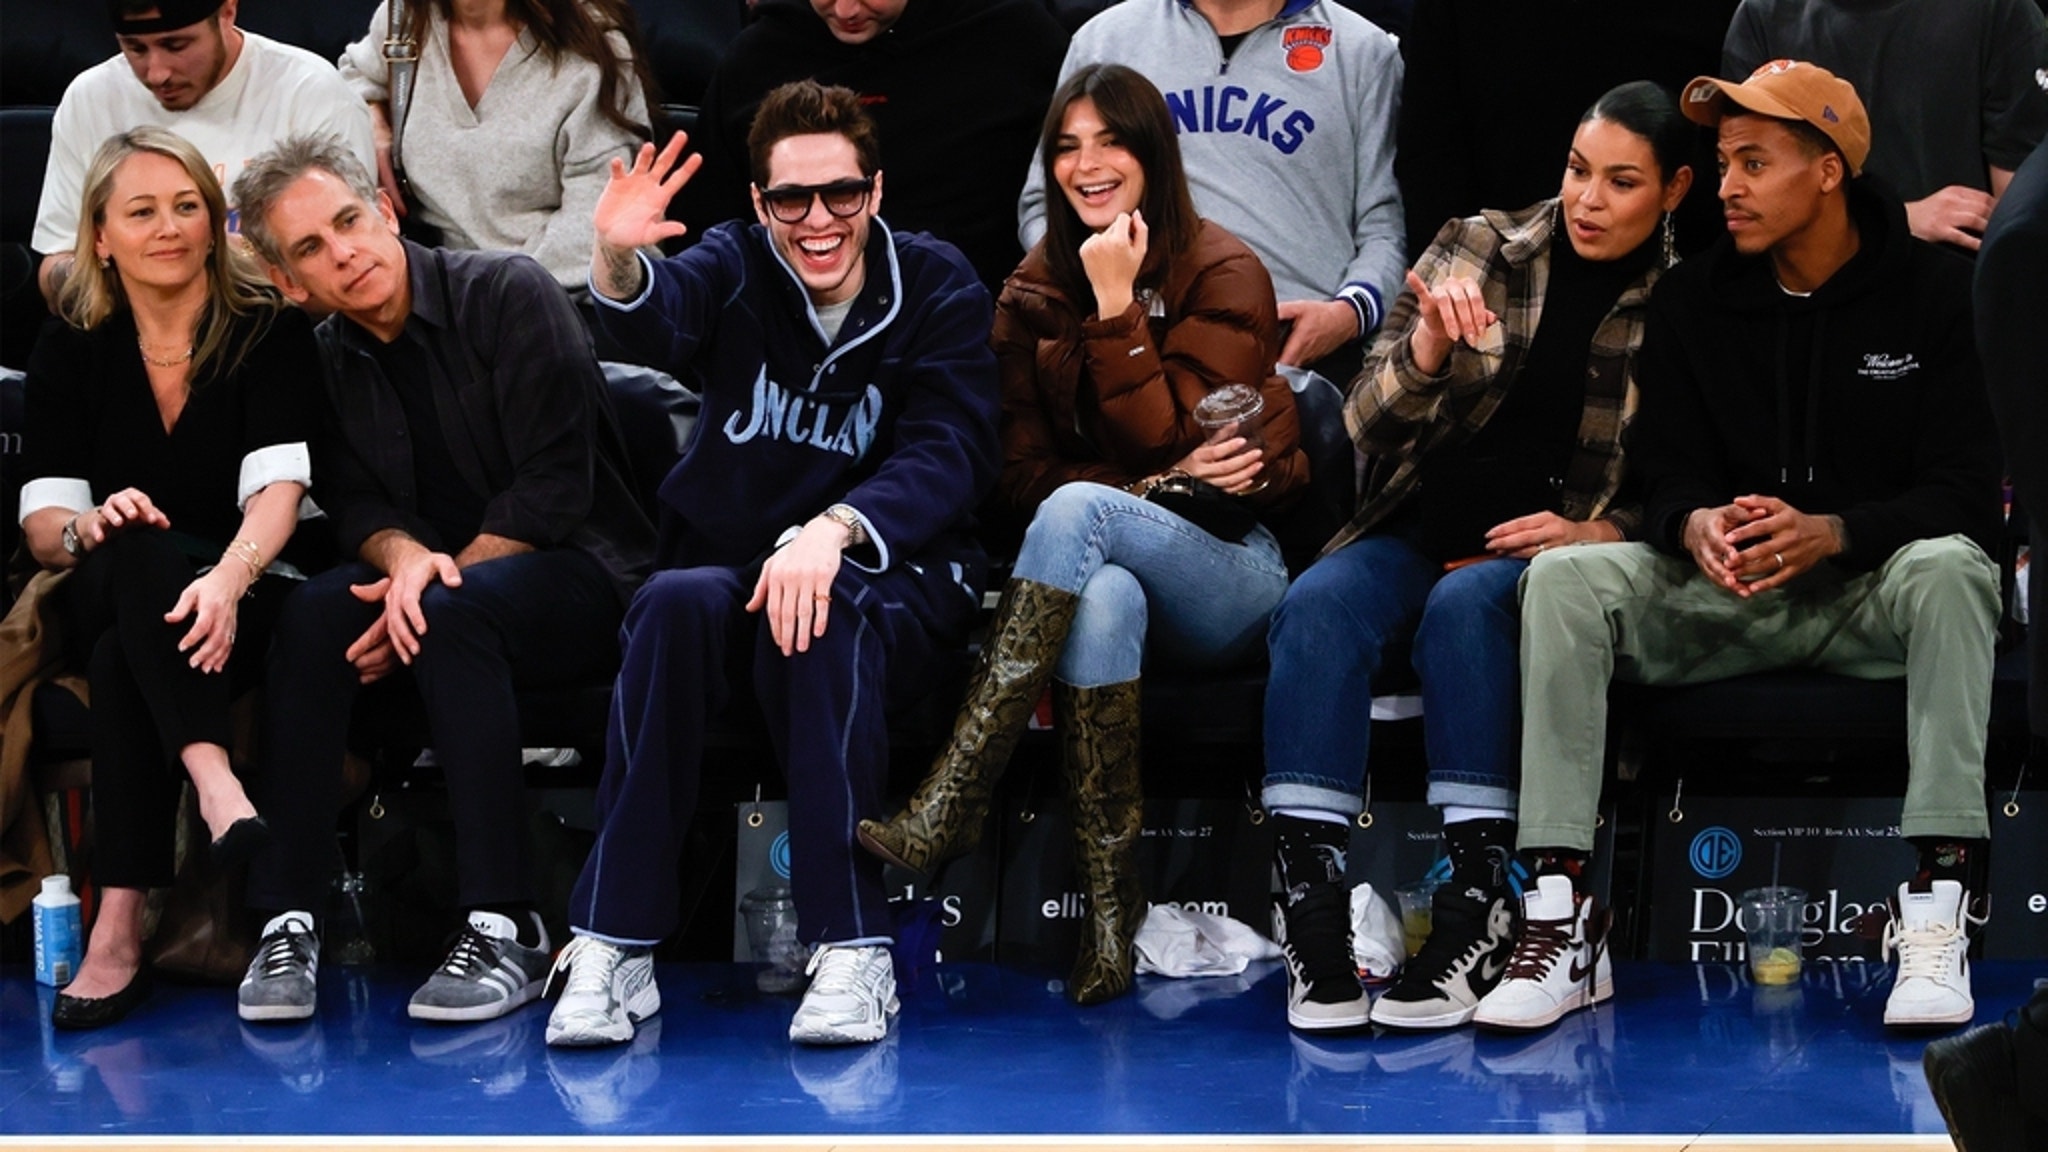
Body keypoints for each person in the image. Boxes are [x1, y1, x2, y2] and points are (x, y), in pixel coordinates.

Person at [1485, 61, 2003, 1032]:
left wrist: (1837, 532)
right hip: (1720, 596)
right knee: (1564, 578)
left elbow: (1967, 498)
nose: (1724, 184)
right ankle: (1558, 918)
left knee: (1949, 569)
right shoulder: (1691, 299)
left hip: (1867, 595)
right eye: (1721, 161)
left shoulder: (1933, 293)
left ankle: (1935, 913)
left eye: (1752, 162)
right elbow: (1663, 475)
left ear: (1826, 169)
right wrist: (1693, 524)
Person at [543, 80, 1001, 1049]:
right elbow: (652, 322)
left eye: (840, 194)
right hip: (739, 575)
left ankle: (851, 948)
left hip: (891, 578)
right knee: (668, 601)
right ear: (758, 205)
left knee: (822, 605)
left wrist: (833, 529)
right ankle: (612, 946)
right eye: (790, 199)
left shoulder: (940, 281)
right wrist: (618, 256)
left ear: (874, 191)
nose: (817, 220)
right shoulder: (736, 264)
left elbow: (952, 450)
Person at [859, 64, 1311, 1007]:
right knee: (1097, 587)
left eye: (1109, 142)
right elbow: (1016, 483)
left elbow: (1196, 467)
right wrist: (1148, 486)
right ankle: (1111, 925)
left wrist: (1114, 313)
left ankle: (954, 799)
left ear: (1154, 153)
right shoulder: (1027, 293)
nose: (1086, 164)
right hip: (1108, 572)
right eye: (1066, 146)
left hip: (1230, 572)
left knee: (1078, 516)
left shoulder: (1225, 271)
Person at [1257, 81, 1694, 1034]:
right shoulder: (1481, 243)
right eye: (1579, 171)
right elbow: (1364, 423)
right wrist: (1422, 349)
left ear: (1674, 192)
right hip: (1419, 527)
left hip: (1554, 552)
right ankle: (1312, 914)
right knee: (1320, 604)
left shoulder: (1688, 296)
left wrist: (1598, 534)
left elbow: (1684, 471)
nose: (1586, 200)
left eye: (1621, 183)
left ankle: (1477, 913)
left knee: (1471, 612)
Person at [230, 134, 653, 1026]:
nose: (342, 251)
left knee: (456, 614)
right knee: (310, 615)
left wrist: (431, 585)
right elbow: (351, 504)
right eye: (309, 248)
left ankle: (507, 923)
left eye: (348, 221)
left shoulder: (509, 291)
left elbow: (553, 488)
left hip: (583, 578)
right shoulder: (326, 354)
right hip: (441, 595)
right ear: (290, 282)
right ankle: (288, 916)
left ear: (384, 211)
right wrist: (405, 565)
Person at [18, 127, 321, 1029]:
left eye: (187, 205)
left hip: (249, 586)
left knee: (122, 659)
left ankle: (117, 929)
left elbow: (278, 492)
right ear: (100, 237)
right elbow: (43, 524)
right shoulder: (72, 346)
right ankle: (216, 782)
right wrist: (87, 524)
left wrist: (227, 579)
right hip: (111, 574)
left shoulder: (266, 330)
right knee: (135, 536)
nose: (169, 227)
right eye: (141, 211)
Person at [1017, 0, 1408, 388]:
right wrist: (1108, 297)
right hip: (1138, 347)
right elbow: (1042, 208)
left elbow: (1385, 231)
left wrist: (1347, 314)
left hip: (1299, 359)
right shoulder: (1104, 39)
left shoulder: (1363, 51)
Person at [681, 0, 1067, 294]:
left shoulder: (1015, 39)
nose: (846, 9)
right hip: (795, 344)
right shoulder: (754, 61)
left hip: (977, 329)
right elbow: (709, 228)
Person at [32, 0, 376, 309]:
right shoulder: (90, 99)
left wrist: (180, 271)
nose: (157, 73)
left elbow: (357, 260)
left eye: (176, 45)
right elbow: (56, 266)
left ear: (227, 13)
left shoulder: (310, 91)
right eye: (135, 49)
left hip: (284, 335)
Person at [337, 0, 655, 293]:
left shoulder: (591, 47)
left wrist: (480, 300)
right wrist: (374, 121)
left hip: (561, 298)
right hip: (438, 292)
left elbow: (593, 230)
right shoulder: (404, 17)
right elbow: (354, 74)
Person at [1393, 0, 1735, 258]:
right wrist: (1454, 273)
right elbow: (1430, 152)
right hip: (1493, 285)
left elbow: (1730, 145)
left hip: (1672, 280)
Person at [1723, 0, 2048, 251]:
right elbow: (1747, 194)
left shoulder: (1998, 11)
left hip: (1949, 292)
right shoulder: (1761, 16)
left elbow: (2024, 219)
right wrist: (1898, 218)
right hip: (1807, 292)